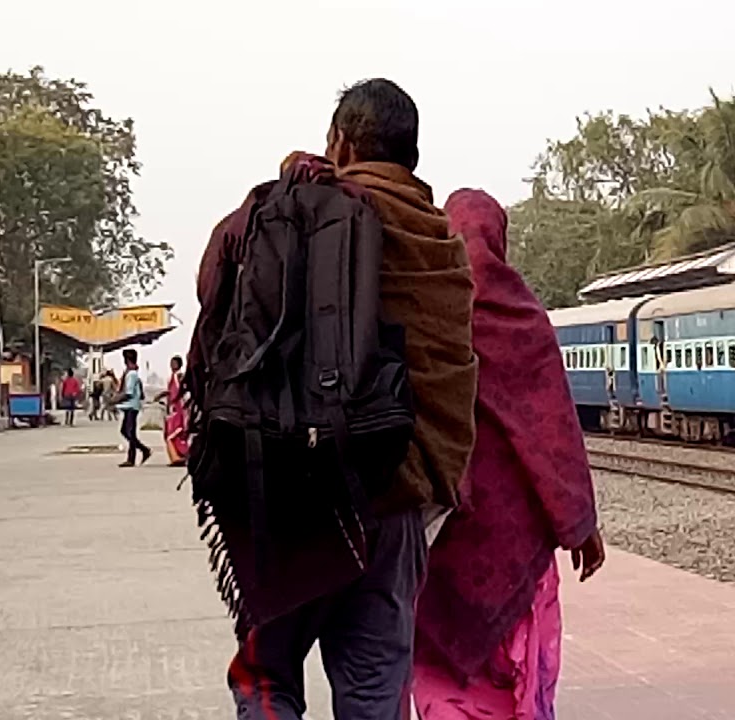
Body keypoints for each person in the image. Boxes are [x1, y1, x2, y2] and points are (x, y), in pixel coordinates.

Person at [194, 79, 477, 720]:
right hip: (396, 498)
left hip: (287, 494)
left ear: (342, 141)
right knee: (375, 692)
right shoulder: (443, 243)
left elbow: (216, 287)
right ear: (411, 154)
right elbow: (452, 377)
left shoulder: (292, 206)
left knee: (268, 680)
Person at [411, 189, 603, 720]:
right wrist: (579, 525)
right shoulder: (522, 317)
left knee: (441, 682)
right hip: (519, 539)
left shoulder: (423, 310)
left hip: (438, 541)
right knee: (523, 680)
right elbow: (553, 433)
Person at [114, 349, 150, 467]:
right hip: (130, 406)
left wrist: (115, 399)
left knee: (128, 432)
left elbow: (128, 392)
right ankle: (137, 453)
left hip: (131, 406)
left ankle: (139, 453)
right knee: (128, 431)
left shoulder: (132, 374)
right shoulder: (131, 373)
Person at [163, 355, 189, 466]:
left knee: (174, 433)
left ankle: (178, 457)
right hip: (173, 409)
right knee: (171, 433)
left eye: (174, 363)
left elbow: (183, 389)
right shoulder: (171, 377)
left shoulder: (179, 376)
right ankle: (177, 456)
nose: (172, 365)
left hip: (179, 408)